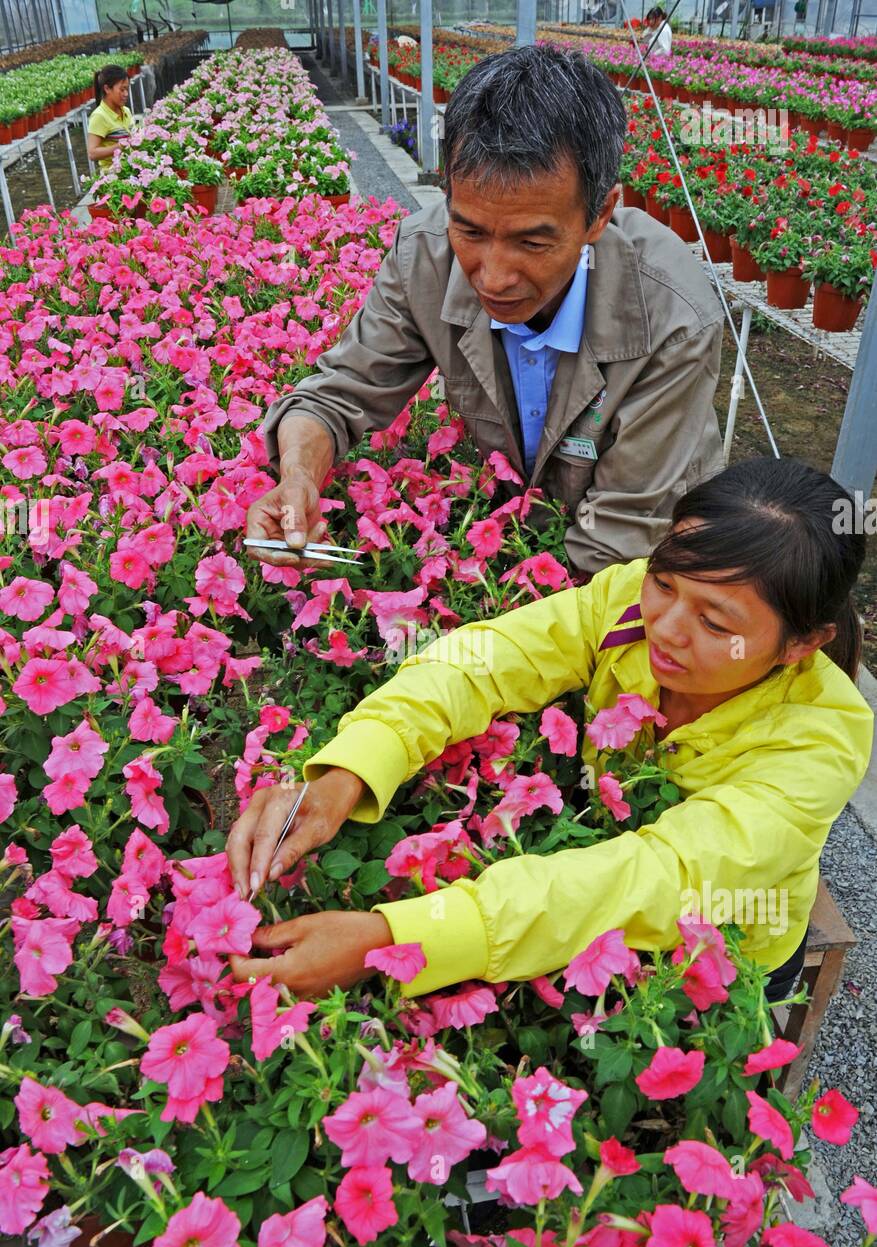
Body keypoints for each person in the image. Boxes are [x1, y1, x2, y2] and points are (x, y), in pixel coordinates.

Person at [227, 458, 874, 1005]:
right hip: (578, 900)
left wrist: (397, 939)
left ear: (801, 645)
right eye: (664, 583)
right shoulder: (627, 600)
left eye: (715, 622)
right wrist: (349, 772)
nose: (665, 627)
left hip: (716, 959)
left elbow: (658, 878)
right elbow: (478, 665)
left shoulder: (819, 742)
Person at [250, 44, 724, 582]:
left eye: (532, 242)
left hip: (647, 562)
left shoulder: (671, 314)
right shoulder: (423, 256)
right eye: (470, 231)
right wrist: (299, 477)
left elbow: (620, 539)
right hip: (522, 535)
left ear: (601, 214)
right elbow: (339, 393)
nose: (493, 277)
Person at [87, 64, 133, 172]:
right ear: (107, 88)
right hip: (112, 176)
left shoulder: (126, 111)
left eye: (127, 89)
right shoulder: (99, 116)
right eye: (122, 90)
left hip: (129, 170)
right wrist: (120, 146)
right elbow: (92, 153)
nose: (126, 94)